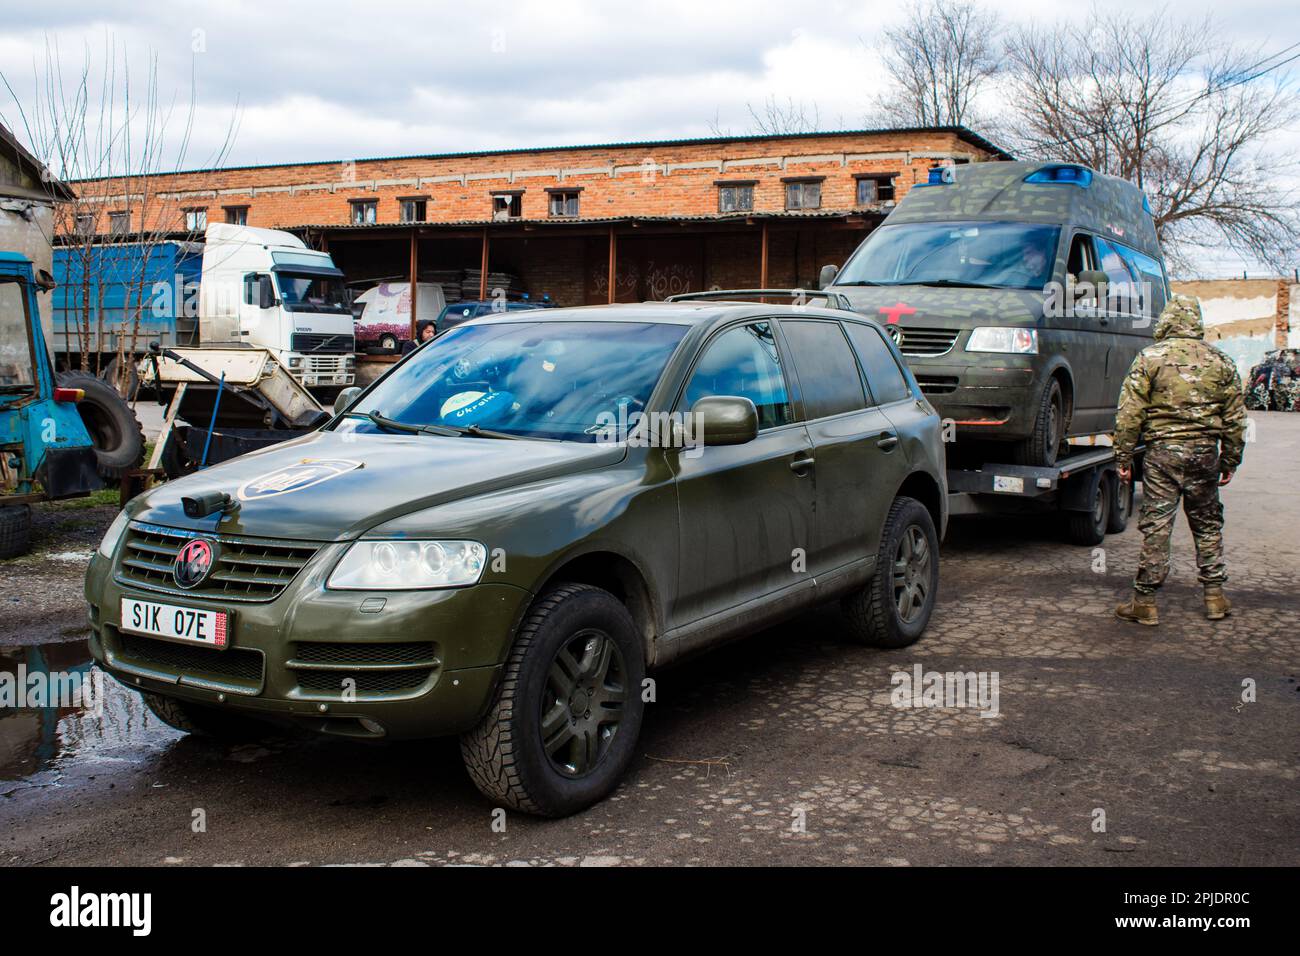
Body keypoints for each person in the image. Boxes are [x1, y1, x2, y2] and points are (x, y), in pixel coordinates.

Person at [1113, 294, 1246, 626]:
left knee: (1157, 524)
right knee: (1207, 523)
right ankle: (1214, 597)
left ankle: (1145, 601)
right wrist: (1230, 459)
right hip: (1205, 454)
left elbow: (1130, 412)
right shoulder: (1222, 362)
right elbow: (1235, 419)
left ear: (1168, 320)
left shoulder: (1150, 358)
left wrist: (1124, 455)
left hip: (1163, 453)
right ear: (1196, 322)